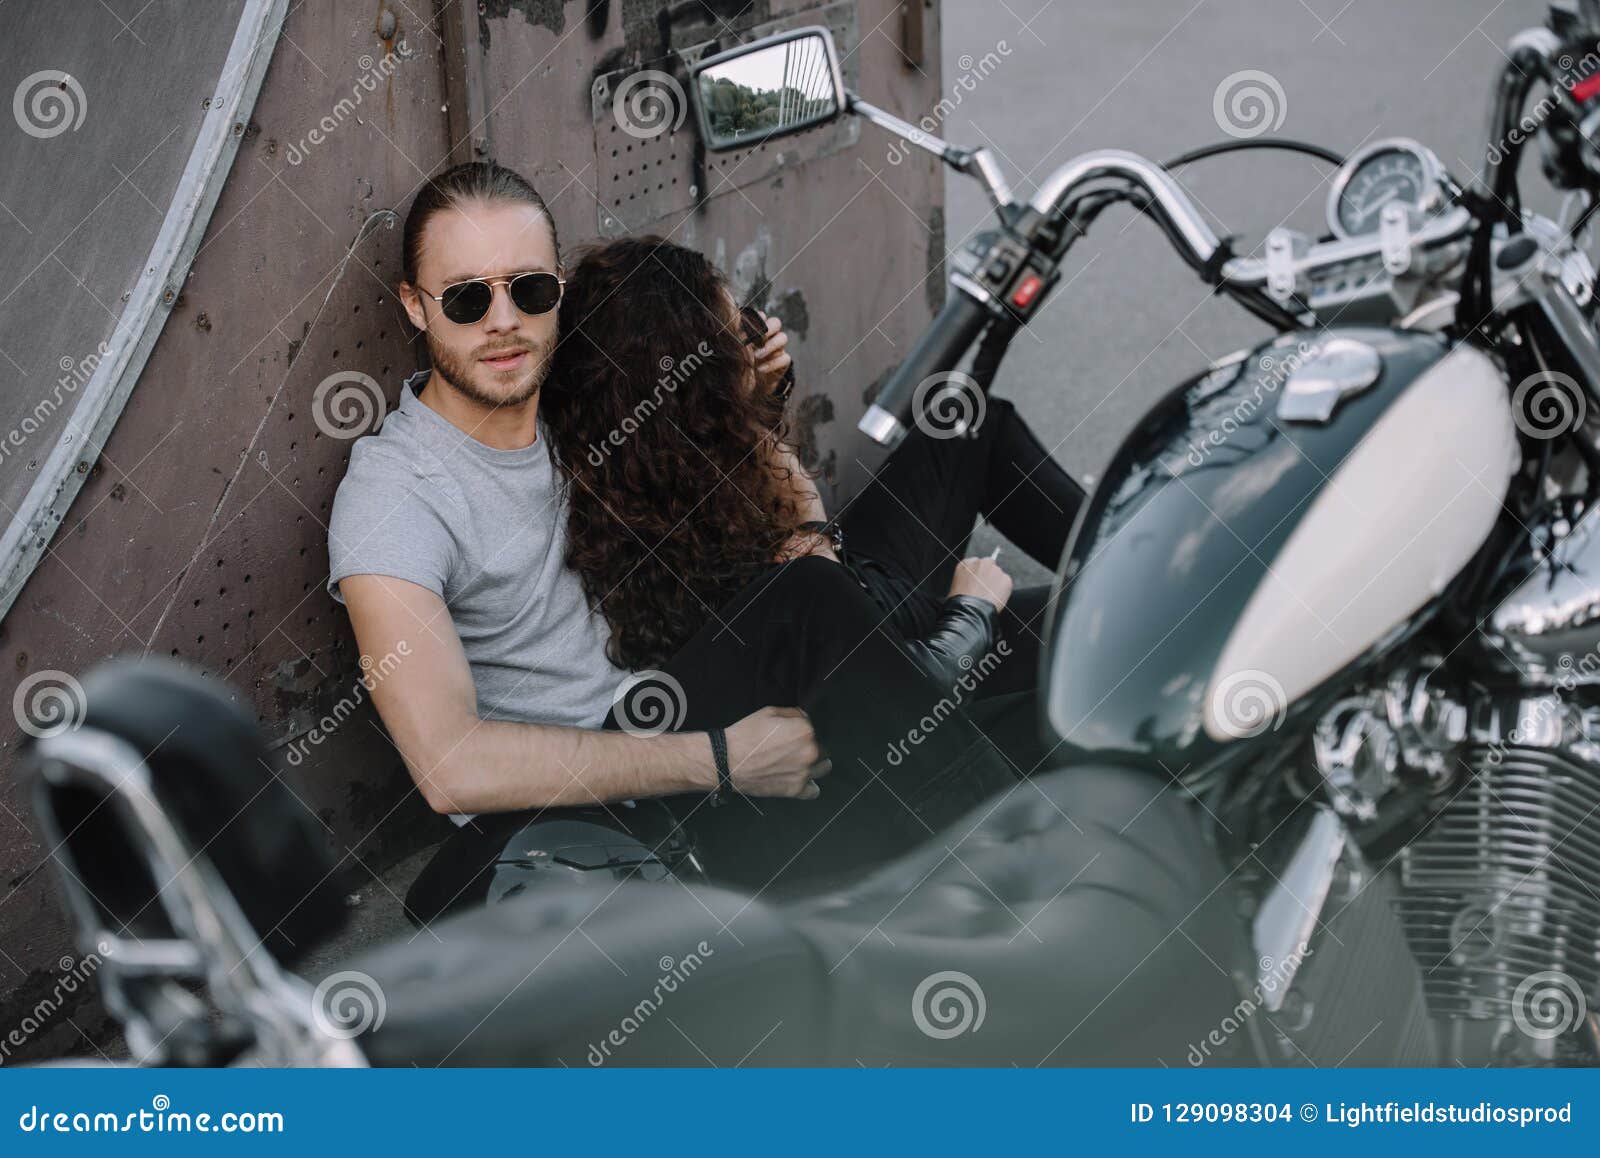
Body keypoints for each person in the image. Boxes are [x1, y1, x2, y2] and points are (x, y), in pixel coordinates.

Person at [536, 235, 1087, 887]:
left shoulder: (643, 461)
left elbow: (810, 549)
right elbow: (888, 672)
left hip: (856, 583)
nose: (755, 339)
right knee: (1086, 630)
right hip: (893, 652)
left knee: (967, 419)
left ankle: (1142, 552)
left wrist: (757, 399)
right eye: (737, 332)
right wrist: (973, 611)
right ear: (698, 381)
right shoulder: (694, 552)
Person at [326, 161, 827, 830]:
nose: (504, 321)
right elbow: (451, 768)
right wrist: (724, 758)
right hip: (586, 816)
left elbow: (728, 481)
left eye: (530, 289)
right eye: (467, 299)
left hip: (673, 708)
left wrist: (745, 402)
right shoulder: (394, 492)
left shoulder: (571, 401)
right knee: (818, 601)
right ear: (415, 305)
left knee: (905, 515)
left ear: (559, 287)